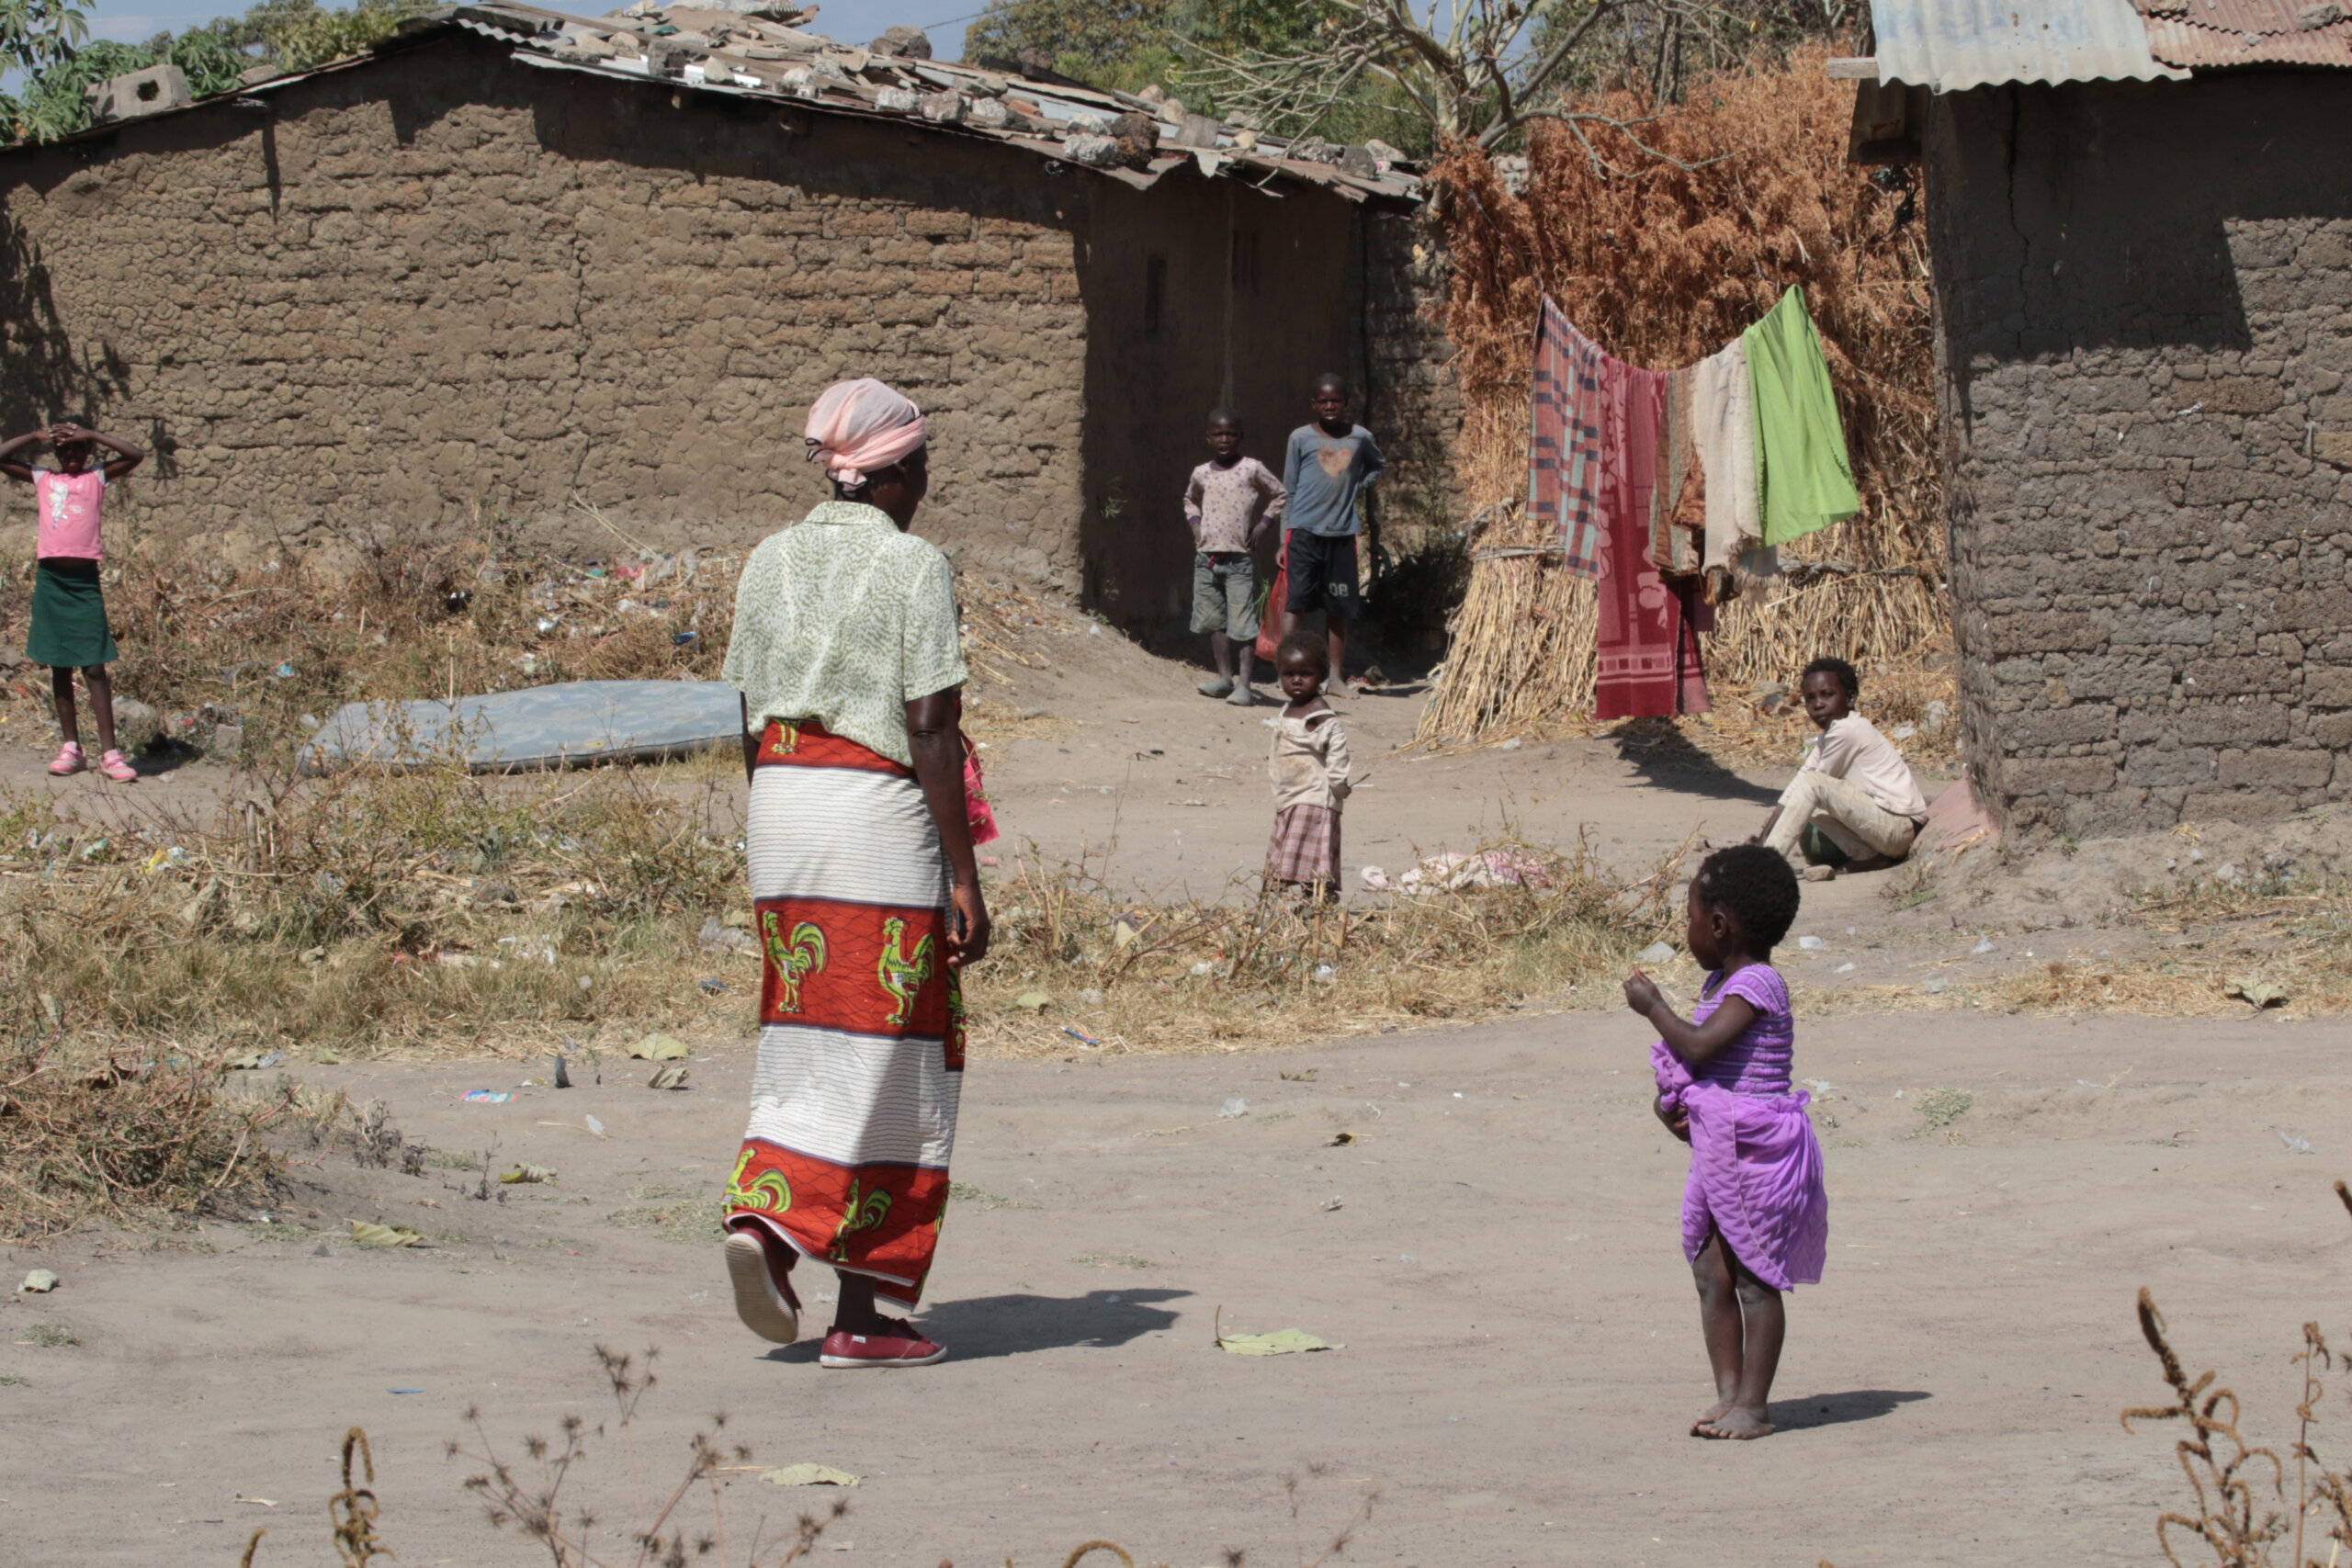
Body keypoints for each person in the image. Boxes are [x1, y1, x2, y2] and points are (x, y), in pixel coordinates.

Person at [718, 377, 989, 1371]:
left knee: (807, 1031)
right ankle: (818, 1265)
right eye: (922, 470)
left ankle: (812, 1266)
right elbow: (929, 725)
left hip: (781, 808)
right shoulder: (916, 567)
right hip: (873, 815)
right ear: (898, 471)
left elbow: (747, 713)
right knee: (896, 1045)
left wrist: (776, 825)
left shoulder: (769, 559)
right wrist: (963, 875)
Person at [1623, 845, 1826, 1440]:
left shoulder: (1758, 983)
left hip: (1758, 1151)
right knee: (1713, 1269)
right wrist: (1673, 1111)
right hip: (1724, 1147)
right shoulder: (1722, 981)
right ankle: (1728, 1392)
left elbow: (1702, 1046)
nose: (1685, 931)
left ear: (1717, 924)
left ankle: (1755, 1406)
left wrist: (1653, 1006)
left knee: (1755, 1276)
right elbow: (1707, 1072)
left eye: (1688, 917)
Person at [1, 421, 147, 783]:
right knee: (59, 664)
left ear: (87, 453)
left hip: (84, 584)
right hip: (52, 581)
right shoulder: (43, 479)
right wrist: (35, 436)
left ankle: (110, 753)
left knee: (95, 667)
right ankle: (71, 747)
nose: (71, 456)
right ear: (55, 454)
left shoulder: (96, 478)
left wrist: (92, 435)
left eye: (77, 450)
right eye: (64, 451)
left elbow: (136, 454)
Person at [1754, 656, 1927, 880]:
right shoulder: (1828, 737)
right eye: (1810, 698)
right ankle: (1868, 856)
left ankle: (1765, 867)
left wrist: (1761, 853)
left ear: (1850, 697)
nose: (1817, 704)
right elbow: (1795, 789)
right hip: (1884, 830)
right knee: (1804, 798)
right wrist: (1761, 839)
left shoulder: (1848, 730)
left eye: (1827, 695)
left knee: (1812, 787)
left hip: (1898, 828)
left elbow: (1813, 784)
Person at [1280, 373, 1384, 694]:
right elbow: (1289, 489)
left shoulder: (1360, 437)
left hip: (1341, 534)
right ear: (1313, 403)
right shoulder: (1300, 438)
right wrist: (1285, 537)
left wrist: (1357, 485)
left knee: (1339, 608)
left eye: (1335, 400)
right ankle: (1285, 672)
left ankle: (1335, 678)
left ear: (1345, 403)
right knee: (1295, 604)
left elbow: (1378, 465)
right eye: (1323, 401)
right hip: (1303, 532)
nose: (1329, 406)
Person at [1183, 407, 1284, 706]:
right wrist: (1195, 526)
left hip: (1239, 558)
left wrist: (1263, 525)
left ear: (1240, 436)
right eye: (1218, 434)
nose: (1224, 439)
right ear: (1208, 438)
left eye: (1230, 434)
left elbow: (1280, 493)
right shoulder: (1201, 472)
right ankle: (1225, 679)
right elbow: (1189, 499)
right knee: (1215, 621)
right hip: (1207, 558)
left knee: (1242, 624)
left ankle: (1244, 684)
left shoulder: (1252, 468)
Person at [1265, 629, 1353, 898]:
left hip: (1314, 797)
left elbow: (1338, 752)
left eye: (1306, 674)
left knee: (1311, 856)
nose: (1297, 681)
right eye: (1289, 674)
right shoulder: (1289, 709)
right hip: (1290, 796)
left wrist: (1339, 785)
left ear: (1322, 674)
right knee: (1291, 854)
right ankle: (1287, 906)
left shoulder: (1320, 715)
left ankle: (1318, 901)